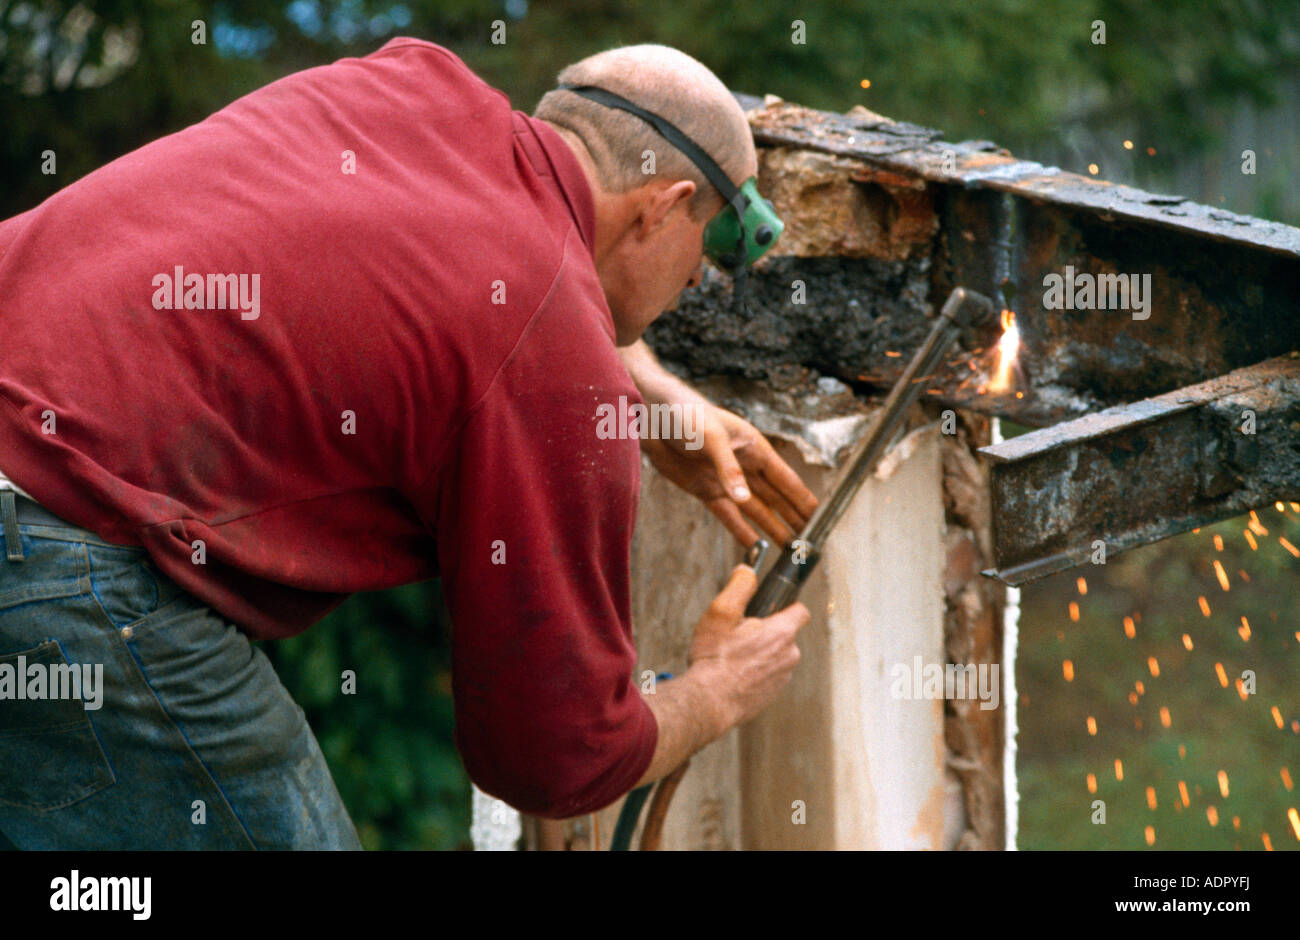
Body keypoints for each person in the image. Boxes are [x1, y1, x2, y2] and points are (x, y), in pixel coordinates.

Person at [0, 37, 813, 849]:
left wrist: (651, 399)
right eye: (704, 251)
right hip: (56, 546)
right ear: (664, 208)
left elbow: (477, 260)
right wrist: (717, 693)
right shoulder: (552, 361)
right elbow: (555, 758)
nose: (696, 282)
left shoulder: (409, 85)